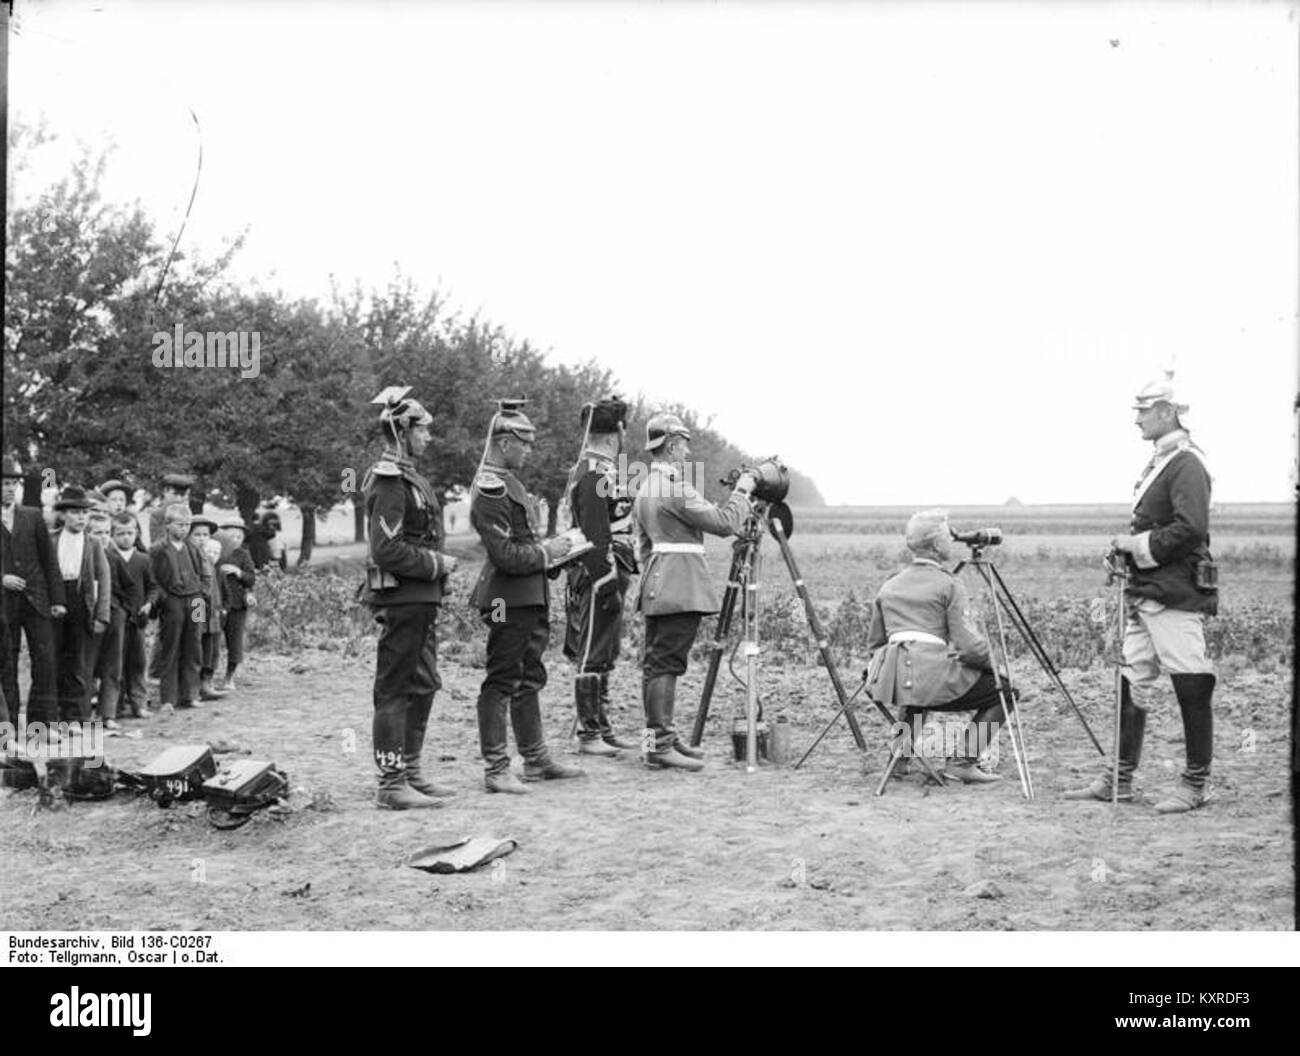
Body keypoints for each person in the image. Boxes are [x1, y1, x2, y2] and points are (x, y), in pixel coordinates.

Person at [1066, 373, 1218, 813]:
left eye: (1143, 411)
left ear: (1167, 412)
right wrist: (1126, 555)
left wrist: (1137, 546)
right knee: (1132, 680)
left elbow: (1191, 529)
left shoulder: (1186, 463)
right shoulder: (1162, 462)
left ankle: (1194, 784)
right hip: (1148, 588)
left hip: (1176, 593)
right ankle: (1119, 780)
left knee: (1191, 683)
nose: (1137, 420)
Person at [469, 400, 582, 794]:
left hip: (528, 595)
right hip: (504, 599)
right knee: (501, 679)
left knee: (529, 677)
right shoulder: (490, 487)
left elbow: (524, 545)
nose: (530, 450)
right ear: (503, 442)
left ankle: (535, 759)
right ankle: (497, 768)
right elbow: (503, 554)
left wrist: (557, 553)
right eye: (525, 443)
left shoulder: (511, 484)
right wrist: (547, 553)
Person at [632, 413, 757, 771]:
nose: (687, 452)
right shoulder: (674, 486)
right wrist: (743, 491)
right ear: (671, 445)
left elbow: (645, 545)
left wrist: (655, 578)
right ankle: (659, 745)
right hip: (679, 585)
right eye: (684, 445)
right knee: (666, 664)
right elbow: (723, 523)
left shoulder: (646, 486)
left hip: (657, 582)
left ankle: (657, 741)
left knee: (654, 664)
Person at [361, 386, 460, 810]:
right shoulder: (388, 480)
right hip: (402, 596)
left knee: (423, 684)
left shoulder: (409, 477)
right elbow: (386, 550)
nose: (429, 438)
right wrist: (437, 564)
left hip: (420, 598)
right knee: (395, 689)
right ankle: (391, 782)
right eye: (423, 430)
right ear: (403, 429)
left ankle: (411, 771)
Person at [864, 509, 1014, 784]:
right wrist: (992, 662)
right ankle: (962, 762)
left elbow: (875, 644)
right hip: (926, 681)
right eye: (948, 536)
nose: (952, 540)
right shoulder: (949, 585)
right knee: (1004, 690)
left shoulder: (890, 585)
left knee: (912, 683)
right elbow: (969, 646)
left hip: (890, 682)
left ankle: (898, 760)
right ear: (935, 545)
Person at [562, 396, 639, 756]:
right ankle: (588, 734)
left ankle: (601, 728)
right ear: (618, 430)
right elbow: (596, 535)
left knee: (605, 650)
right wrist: (606, 581)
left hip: (611, 569)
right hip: (599, 573)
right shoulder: (593, 472)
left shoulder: (602, 468)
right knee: (592, 651)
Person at [1, 457, 64, 728]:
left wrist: (58, 599)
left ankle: (43, 725)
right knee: (7, 662)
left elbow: (49, 560)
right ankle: (9, 726)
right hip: (4, 604)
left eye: (12, 483)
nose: (7, 488)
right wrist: (2, 578)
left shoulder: (32, 515)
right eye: (3, 483)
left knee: (45, 660)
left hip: (36, 599)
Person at [51, 487, 111, 722]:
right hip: (56, 600)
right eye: (75, 513)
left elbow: (103, 579)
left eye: (84, 514)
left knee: (78, 661)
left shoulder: (93, 543)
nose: (81, 518)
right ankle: (53, 714)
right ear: (63, 515)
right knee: (55, 658)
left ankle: (74, 716)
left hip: (82, 602)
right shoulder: (51, 538)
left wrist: (101, 615)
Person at [147, 502, 209, 714]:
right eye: (180, 524)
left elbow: (204, 573)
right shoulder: (157, 549)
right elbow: (152, 578)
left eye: (187, 525)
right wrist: (163, 599)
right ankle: (168, 699)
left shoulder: (193, 547)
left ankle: (190, 694)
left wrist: (203, 595)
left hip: (196, 600)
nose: (184, 529)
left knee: (194, 645)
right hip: (172, 600)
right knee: (170, 647)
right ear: (167, 525)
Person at [99, 514, 154, 723]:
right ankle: (114, 707)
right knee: (115, 662)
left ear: (137, 534)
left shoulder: (143, 559)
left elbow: (154, 586)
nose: (125, 538)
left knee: (138, 661)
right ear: (113, 535)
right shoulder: (108, 556)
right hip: (116, 618)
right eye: (120, 533)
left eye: (130, 533)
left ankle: (139, 704)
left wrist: (150, 602)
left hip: (137, 617)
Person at [188, 517, 228, 702]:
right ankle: (194, 686)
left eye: (205, 535)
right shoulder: (189, 556)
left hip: (212, 609)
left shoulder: (209, 559)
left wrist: (219, 607)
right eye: (197, 535)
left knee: (212, 643)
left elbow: (215, 587)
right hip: (198, 605)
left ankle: (207, 682)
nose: (202, 538)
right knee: (198, 641)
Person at [217, 518, 256, 691]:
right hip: (214, 603)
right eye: (231, 536)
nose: (235, 539)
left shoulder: (243, 555)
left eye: (239, 536)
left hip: (236, 604)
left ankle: (229, 677)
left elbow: (251, 579)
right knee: (207, 639)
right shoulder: (214, 551)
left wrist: (238, 572)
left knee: (235, 642)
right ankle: (204, 677)